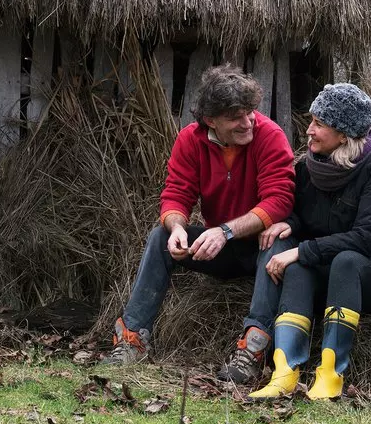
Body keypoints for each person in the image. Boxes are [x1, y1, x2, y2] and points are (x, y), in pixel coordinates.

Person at [106, 64, 296, 385]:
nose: (248, 121)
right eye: (236, 117)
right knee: (159, 236)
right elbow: (176, 192)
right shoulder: (190, 140)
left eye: (250, 112)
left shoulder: (270, 136)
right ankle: (132, 338)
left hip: (258, 248)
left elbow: (279, 202)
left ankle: (253, 348)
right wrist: (177, 226)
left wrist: (225, 231)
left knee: (274, 240)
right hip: (218, 249)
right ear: (211, 120)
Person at [249, 83, 371, 400]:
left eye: (319, 124)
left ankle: (330, 376)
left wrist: (302, 249)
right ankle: (285, 373)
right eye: (312, 121)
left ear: (343, 134)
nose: (309, 131)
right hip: (334, 270)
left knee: (345, 260)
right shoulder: (307, 169)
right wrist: (288, 224)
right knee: (298, 269)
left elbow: (365, 239)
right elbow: (308, 216)